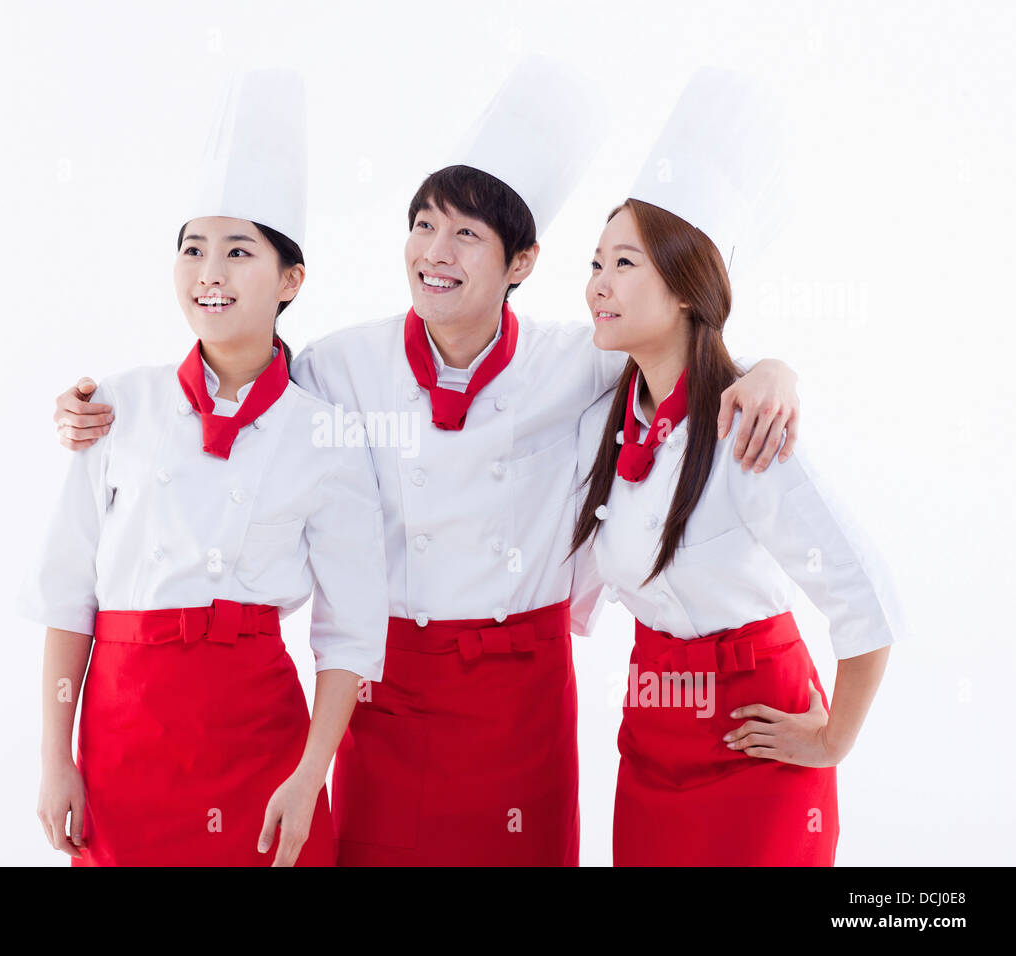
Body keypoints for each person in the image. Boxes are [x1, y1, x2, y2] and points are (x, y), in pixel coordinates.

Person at [49, 56, 801, 866]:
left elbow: (676, 354)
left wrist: (772, 371)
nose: (435, 252)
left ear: (521, 265)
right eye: (423, 225)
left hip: (523, 697)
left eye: (467, 235)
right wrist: (104, 409)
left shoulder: (574, 364)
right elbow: (236, 374)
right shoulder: (339, 367)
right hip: (390, 694)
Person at [19, 68, 388, 866]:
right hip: (121, 741)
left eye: (237, 252)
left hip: (259, 744)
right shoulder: (116, 406)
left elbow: (351, 632)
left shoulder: (325, 433)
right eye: (192, 250)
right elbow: (68, 591)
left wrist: (309, 774)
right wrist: (55, 760)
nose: (208, 273)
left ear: (291, 280)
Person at [571, 68, 906, 866]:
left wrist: (833, 739)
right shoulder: (603, 413)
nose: (596, 287)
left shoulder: (751, 430)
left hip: (758, 744)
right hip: (653, 734)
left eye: (624, 264)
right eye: (595, 262)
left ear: (686, 289)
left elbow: (868, 600)